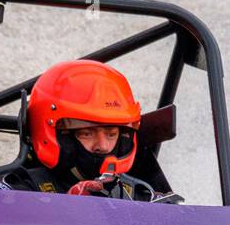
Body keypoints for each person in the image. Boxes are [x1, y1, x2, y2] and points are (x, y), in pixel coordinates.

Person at [21, 59, 150, 198]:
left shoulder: (141, 196)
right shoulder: (16, 194)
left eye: (111, 134)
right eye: (87, 134)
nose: (103, 146)